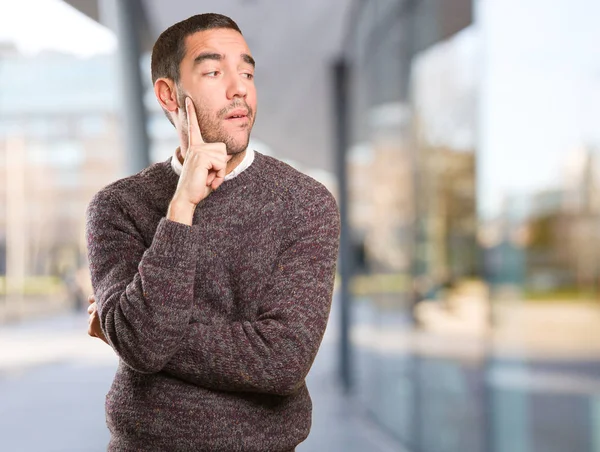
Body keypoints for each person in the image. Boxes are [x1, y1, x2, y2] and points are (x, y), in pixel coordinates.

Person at [85, 12, 340, 452]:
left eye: (247, 72)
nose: (239, 87)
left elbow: (282, 360)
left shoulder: (306, 203)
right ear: (168, 94)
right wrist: (181, 208)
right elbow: (142, 346)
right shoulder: (117, 207)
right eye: (213, 71)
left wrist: (127, 331)